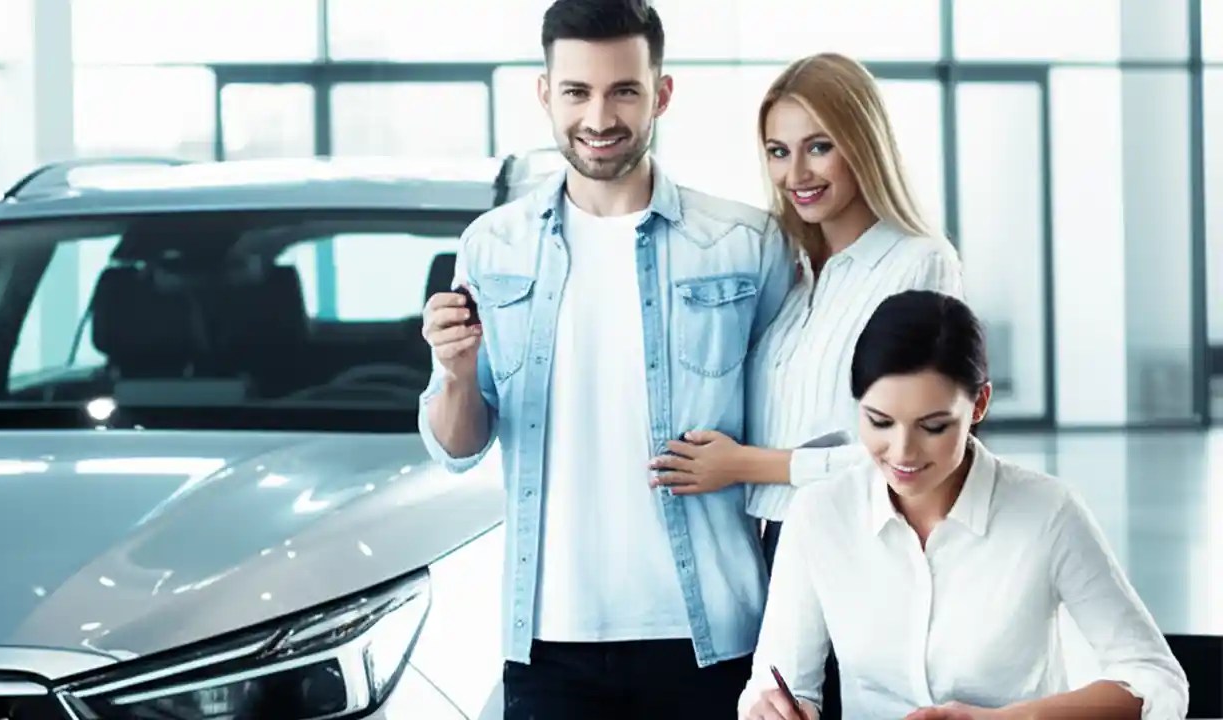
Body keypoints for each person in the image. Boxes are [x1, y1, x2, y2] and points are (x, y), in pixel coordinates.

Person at [416, 0, 793, 716]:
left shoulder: (746, 245)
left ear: (662, 93)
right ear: (544, 93)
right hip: (549, 642)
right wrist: (458, 374)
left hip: (712, 632)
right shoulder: (493, 246)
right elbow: (460, 447)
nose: (599, 117)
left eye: (624, 90)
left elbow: (794, 443)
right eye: (577, 92)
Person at [651, 51, 965, 718]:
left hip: (858, 543)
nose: (796, 174)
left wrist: (745, 466)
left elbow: (911, 450)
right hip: (765, 548)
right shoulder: (788, 272)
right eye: (777, 151)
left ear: (862, 143)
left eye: (818, 147)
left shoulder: (916, 262)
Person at [738, 289, 1190, 720]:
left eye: (933, 426)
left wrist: (1014, 717)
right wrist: (771, 705)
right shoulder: (820, 513)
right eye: (879, 422)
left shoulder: (1047, 512)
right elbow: (775, 685)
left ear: (979, 405)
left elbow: (1156, 680)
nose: (903, 452)